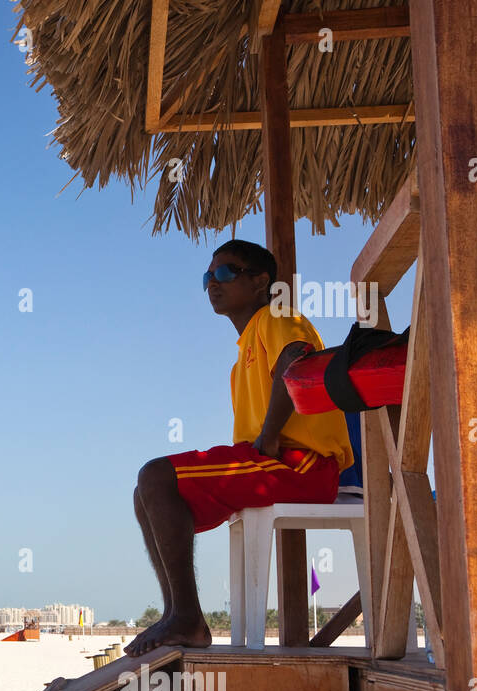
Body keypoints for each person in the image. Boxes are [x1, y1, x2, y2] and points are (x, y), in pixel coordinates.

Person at [126, 240, 352, 658]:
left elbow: (295, 360)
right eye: (207, 276)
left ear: (261, 281)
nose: (214, 282)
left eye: (227, 272)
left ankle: (188, 618)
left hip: (302, 465)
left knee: (156, 476)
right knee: (147, 493)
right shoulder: (242, 355)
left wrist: (267, 437)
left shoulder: (277, 315)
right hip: (273, 464)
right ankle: (177, 611)